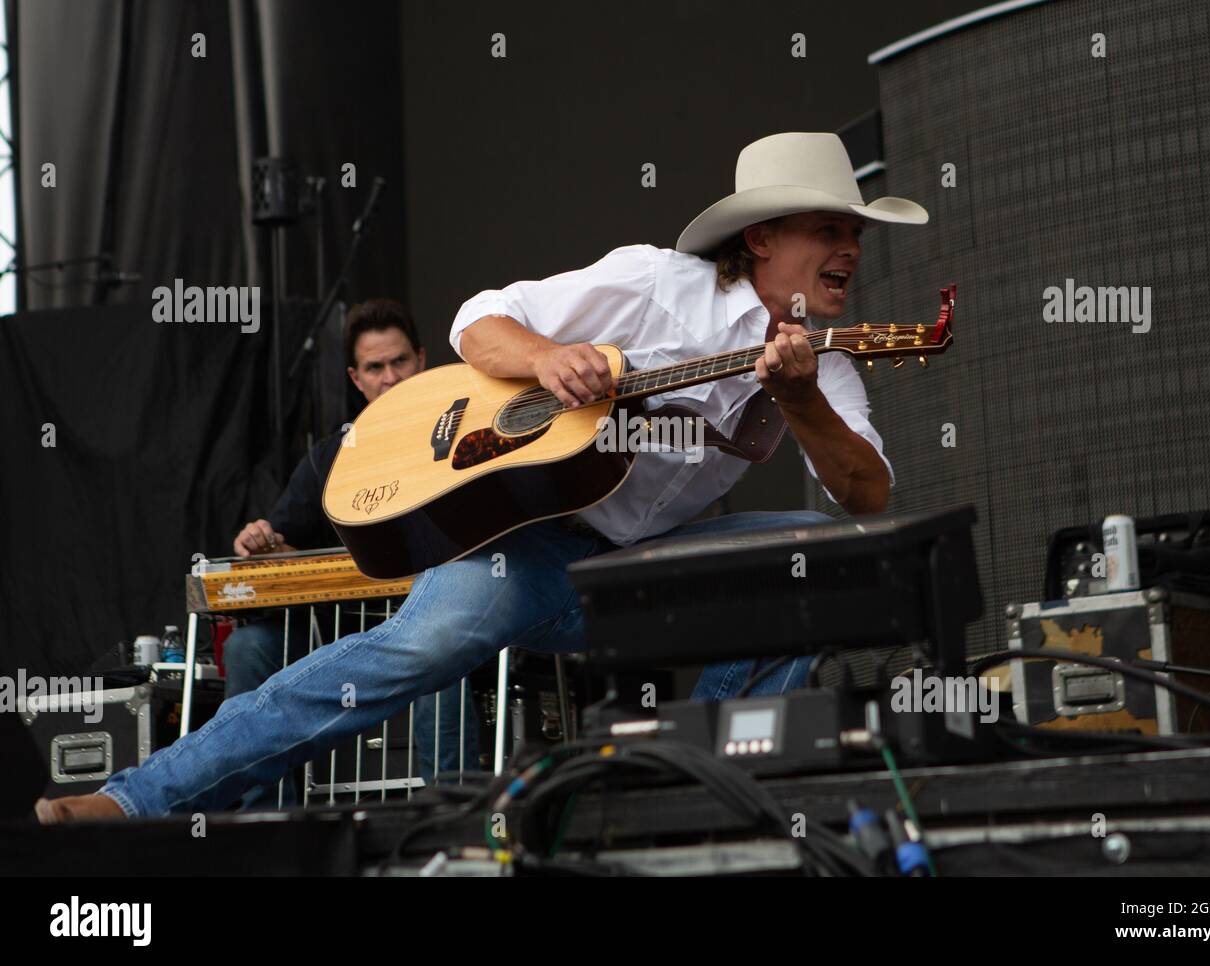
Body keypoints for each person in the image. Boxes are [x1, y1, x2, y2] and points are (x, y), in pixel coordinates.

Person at [37, 131, 926, 822]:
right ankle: (137, 800)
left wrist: (802, 401)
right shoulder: (658, 285)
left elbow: (868, 493)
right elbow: (479, 320)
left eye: (855, 230)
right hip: (521, 539)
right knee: (405, 654)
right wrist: (546, 361)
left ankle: (719, 784)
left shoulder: (828, 360)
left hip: (639, 567)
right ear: (763, 237)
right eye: (830, 227)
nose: (851, 246)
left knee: (824, 556)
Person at [223, 298, 480, 807]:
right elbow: (281, 542)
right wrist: (262, 542)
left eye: (400, 361)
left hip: (441, 621)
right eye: (375, 367)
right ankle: (268, 829)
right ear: (355, 378)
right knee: (246, 650)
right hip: (343, 628)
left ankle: (453, 825)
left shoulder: (468, 431)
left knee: (441, 654)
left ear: (422, 361)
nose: (390, 377)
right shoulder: (329, 458)